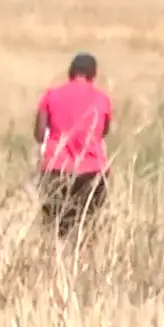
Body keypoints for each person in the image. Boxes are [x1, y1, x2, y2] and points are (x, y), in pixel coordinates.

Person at [34, 52, 113, 240]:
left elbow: (39, 134)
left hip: (56, 170)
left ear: (70, 72)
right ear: (93, 74)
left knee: (54, 231)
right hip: (92, 172)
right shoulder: (102, 99)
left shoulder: (51, 95)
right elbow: (103, 132)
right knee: (86, 229)